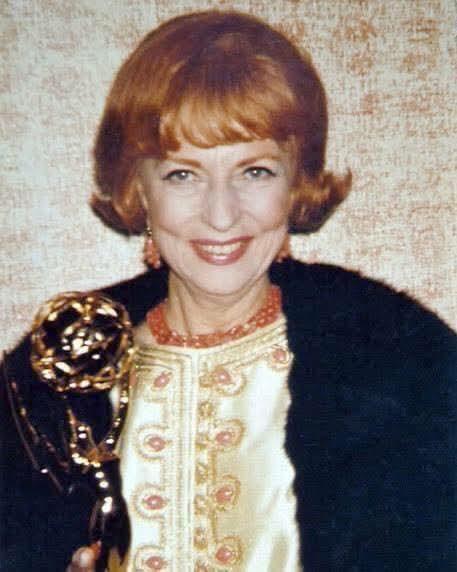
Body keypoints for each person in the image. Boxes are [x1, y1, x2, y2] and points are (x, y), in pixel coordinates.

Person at [1, 10, 456, 572]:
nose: (221, 215)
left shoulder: (401, 369)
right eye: (182, 174)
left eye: (255, 171)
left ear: (298, 182)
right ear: (137, 189)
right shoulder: (46, 386)